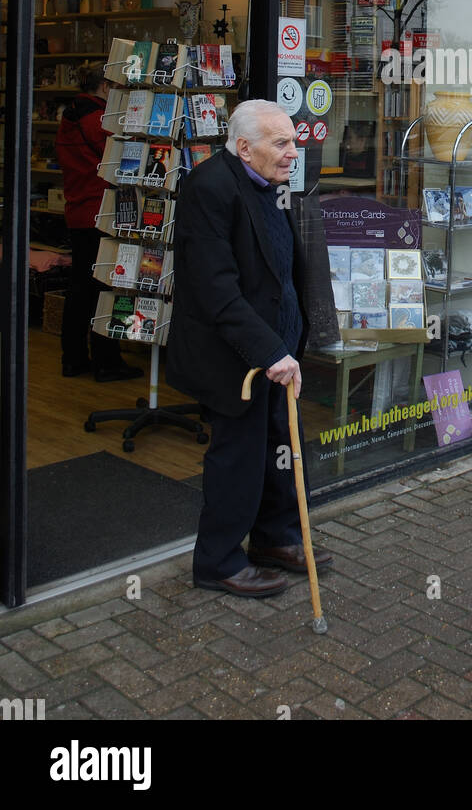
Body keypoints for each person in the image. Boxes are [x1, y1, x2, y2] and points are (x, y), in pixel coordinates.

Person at [166, 99, 335, 599]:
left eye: (294, 141)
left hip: (277, 350)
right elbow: (216, 288)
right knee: (236, 460)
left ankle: (275, 539)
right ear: (244, 147)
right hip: (236, 356)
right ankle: (217, 562)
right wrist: (268, 350)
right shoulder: (208, 189)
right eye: (280, 142)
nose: (292, 152)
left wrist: (293, 339)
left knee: (281, 450)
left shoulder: (268, 184)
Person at [55, 62, 145, 382]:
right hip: (104, 212)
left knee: (80, 289)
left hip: (78, 211)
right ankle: (107, 359)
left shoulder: (70, 117)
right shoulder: (99, 118)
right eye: (119, 88)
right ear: (106, 87)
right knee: (109, 287)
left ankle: (75, 357)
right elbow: (122, 153)